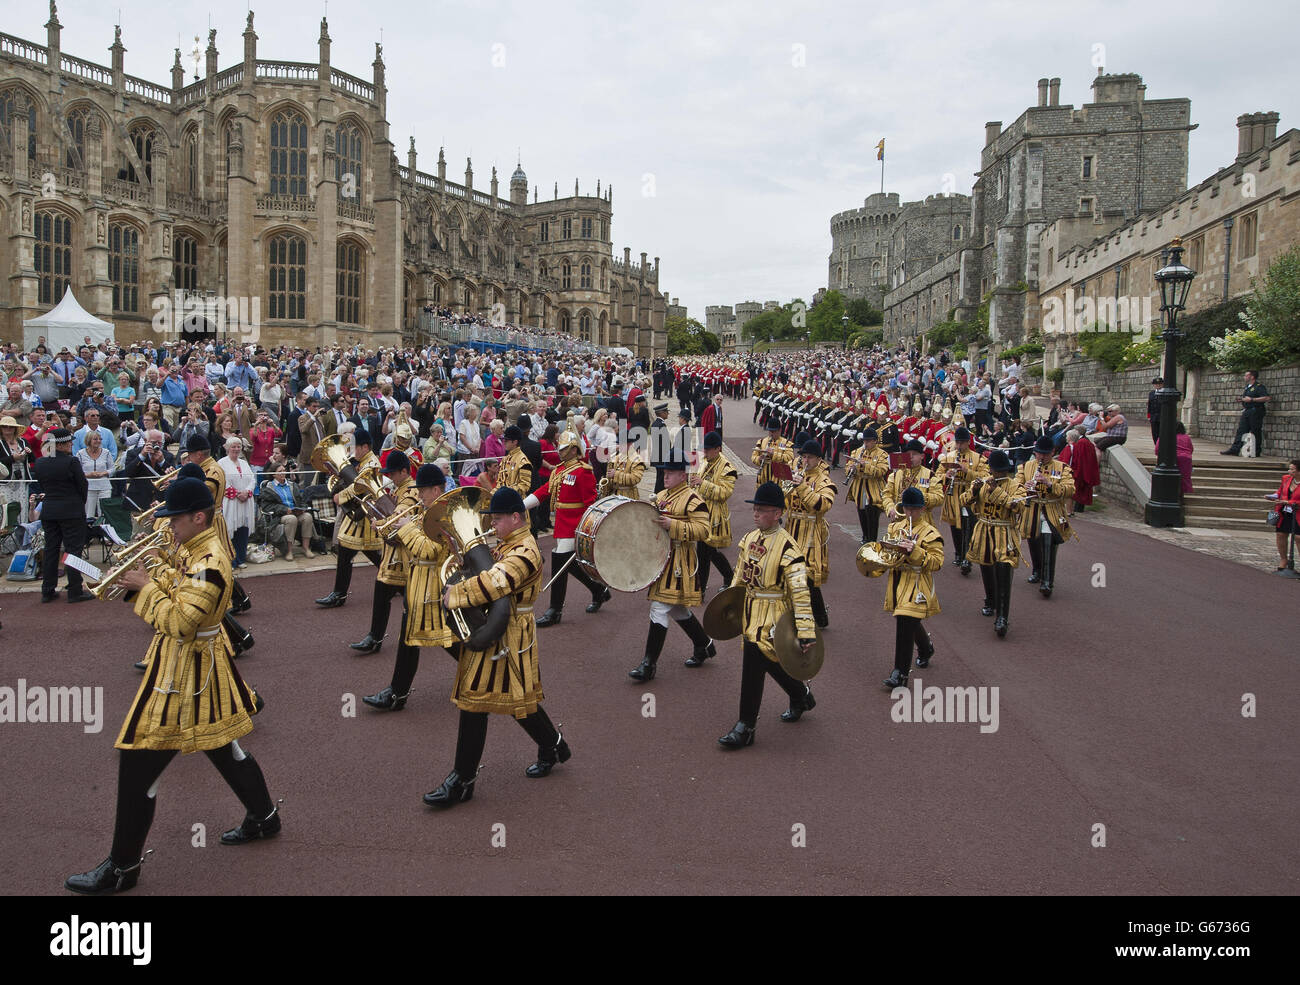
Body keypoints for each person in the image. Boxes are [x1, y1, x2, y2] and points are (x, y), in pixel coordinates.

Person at [64, 476, 279, 895]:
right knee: (225, 747)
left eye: (174, 519)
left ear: (198, 518)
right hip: (198, 667)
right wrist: (140, 580)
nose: (168, 525)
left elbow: (180, 623)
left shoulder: (210, 561)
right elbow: (177, 596)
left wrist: (143, 589)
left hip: (187, 672)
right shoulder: (194, 548)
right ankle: (265, 816)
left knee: (137, 760)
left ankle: (123, 867)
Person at [426, 487, 571, 808]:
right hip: (501, 628)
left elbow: (496, 582)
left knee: (477, 700)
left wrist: (456, 594)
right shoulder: (509, 543)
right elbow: (486, 570)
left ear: (516, 517)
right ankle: (554, 745)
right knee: (517, 698)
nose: (491, 525)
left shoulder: (527, 551)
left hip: (512, 632)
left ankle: (462, 780)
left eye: (497, 519)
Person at [716, 481, 817, 749]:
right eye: (755, 509)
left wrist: (806, 632)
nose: (756, 513)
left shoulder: (789, 549)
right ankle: (800, 694)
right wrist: (730, 605)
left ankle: (745, 726)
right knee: (769, 661)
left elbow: (800, 593)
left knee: (754, 661)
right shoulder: (749, 539)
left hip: (774, 615)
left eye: (762, 509)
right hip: (751, 610)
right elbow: (739, 575)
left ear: (777, 513)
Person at [363, 464, 459, 711]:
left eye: (423, 491)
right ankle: (397, 693)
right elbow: (411, 541)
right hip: (418, 585)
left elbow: (428, 549)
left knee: (446, 638)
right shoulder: (427, 511)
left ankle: (484, 671)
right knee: (410, 638)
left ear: (436, 489)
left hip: (433, 586)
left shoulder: (442, 514)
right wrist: (389, 526)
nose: (419, 496)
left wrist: (405, 527)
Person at [629, 448, 714, 681]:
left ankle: (649, 664)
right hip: (663, 557)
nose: (666, 476)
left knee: (659, 606)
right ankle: (704, 644)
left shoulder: (694, 499)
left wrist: (673, 525)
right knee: (676, 608)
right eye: (665, 472)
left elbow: (704, 531)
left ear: (683, 475)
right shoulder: (663, 494)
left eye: (671, 472)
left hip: (680, 560)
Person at [531, 430, 608, 628]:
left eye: (564, 448)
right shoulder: (558, 470)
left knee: (559, 561)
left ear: (574, 450)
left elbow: (590, 503)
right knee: (567, 563)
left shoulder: (584, 471)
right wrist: (519, 505)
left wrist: (587, 529)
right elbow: (544, 491)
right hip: (561, 523)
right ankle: (598, 590)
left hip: (575, 524)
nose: (560, 451)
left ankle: (555, 609)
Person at [349, 451, 420, 654]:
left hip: (405, 556)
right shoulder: (401, 489)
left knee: (414, 601)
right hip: (393, 555)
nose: (390, 478)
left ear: (404, 471)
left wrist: (378, 523)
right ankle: (374, 637)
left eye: (393, 474)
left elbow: (396, 521)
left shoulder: (410, 492)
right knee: (383, 593)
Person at [878, 486, 944, 689]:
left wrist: (915, 551)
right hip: (898, 579)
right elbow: (886, 554)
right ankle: (925, 647)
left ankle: (900, 673)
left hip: (917, 581)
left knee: (905, 622)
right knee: (905, 619)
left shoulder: (930, 533)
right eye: (906, 509)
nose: (909, 514)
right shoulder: (894, 528)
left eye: (913, 510)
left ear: (922, 509)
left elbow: (937, 562)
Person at [316, 428, 383, 607]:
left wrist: (341, 496)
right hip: (360, 517)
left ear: (365, 446)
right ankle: (339, 593)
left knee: (373, 555)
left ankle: (397, 581)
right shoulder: (362, 462)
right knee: (347, 552)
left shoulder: (372, 464)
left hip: (366, 517)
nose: (352, 451)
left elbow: (360, 486)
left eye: (355, 447)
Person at [963, 451, 1025, 638]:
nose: (996, 475)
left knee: (1004, 570)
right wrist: (974, 491)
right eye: (994, 471)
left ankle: (1003, 617)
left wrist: (996, 492)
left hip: (1004, 532)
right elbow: (963, 501)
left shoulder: (1015, 486)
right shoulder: (981, 481)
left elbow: (1018, 507)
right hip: (984, 530)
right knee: (986, 569)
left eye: (1000, 472)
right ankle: (991, 600)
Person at [33, 428, 93, 603]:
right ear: (60, 444)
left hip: (50, 509)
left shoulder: (41, 462)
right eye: (69, 442)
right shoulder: (71, 461)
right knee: (73, 550)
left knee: (51, 549)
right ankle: (75, 590)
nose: (71, 444)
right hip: (71, 509)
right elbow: (82, 485)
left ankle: (47, 590)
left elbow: (42, 485)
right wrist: (77, 502)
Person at [784, 439, 837, 628]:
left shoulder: (824, 480)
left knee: (807, 575)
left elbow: (822, 505)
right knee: (796, 575)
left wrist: (801, 487)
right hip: (792, 528)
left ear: (818, 460)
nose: (805, 461)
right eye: (804, 457)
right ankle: (819, 615)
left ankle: (808, 617)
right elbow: (785, 502)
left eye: (810, 458)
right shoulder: (797, 475)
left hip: (812, 531)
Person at [1019, 435, 1076, 598]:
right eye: (1039, 453)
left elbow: (1070, 489)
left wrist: (1050, 484)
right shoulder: (1026, 466)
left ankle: (1047, 581)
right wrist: (1025, 487)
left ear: (1053, 452)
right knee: (1034, 542)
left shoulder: (1062, 468)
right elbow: (1016, 485)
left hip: (1052, 511)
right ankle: (1037, 570)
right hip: (1033, 510)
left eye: (1045, 454)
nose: (1042, 457)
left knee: (1049, 544)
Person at [934, 426, 988, 575]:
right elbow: (937, 476)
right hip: (953, 495)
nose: (959, 446)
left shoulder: (977, 458)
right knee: (955, 526)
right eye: (957, 443)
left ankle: (967, 557)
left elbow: (984, 477)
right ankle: (958, 553)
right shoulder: (949, 457)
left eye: (962, 443)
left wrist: (967, 472)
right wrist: (947, 476)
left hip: (969, 496)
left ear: (967, 442)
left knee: (968, 526)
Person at [692, 431, 737, 595]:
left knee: (704, 552)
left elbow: (724, 493)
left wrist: (702, 484)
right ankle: (729, 576)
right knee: (708, 552)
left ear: (718, 449)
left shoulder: (727, 468)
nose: (705, 452)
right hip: (702, 512)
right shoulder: (706, 462)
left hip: (715, 515)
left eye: (708, 449)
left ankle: (701, 589)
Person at [258, 466, 314, 560]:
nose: (283, 472)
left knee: (307, 516)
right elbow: (267, 507)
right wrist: (284, 509)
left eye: (284, 470)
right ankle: (289, 551)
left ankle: (306, 548)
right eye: (280, 471)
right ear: (273, 474)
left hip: (295, 512)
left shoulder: (292, 485)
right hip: (279, 515)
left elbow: (301, 500)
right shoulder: (269, 488)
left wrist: (302, 508)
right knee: (291, 519)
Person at [218, 436, 256, 569]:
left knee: (243, 530)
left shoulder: (244, 463)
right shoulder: (221, 463)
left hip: (246, 502)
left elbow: (252, 479)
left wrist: (246, 492)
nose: (236, 449)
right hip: (231, 502)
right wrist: (236, 494)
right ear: (228, 448)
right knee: (230, 530)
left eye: (238, 446)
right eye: (233, 446)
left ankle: (240, 558)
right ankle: (231, 561)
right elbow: (222, 481)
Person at [1221, 370, 1269, 456]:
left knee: (1255, 431)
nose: (1244, 377)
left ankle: (1255, 451)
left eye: (1246, 375)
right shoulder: (1248, 387)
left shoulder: (1259, 387)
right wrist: (1242, 400)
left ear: (1252, 377)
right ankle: (1235, 449)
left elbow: (1266, 398)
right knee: (1241, 430)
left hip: (1256, 411)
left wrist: (1252, 399)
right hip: (1247, 410)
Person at [1267, 460, 1300, 571]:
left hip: (1298, 512)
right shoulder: (1286, 479)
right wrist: (1271, 496)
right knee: (1281, 534)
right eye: (1289, 469)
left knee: (1298, 537)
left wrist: (1288, 502)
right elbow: (1280, 493)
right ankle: (1283, 559)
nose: (1289, 471)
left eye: (1292, 469)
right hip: (1285, 511)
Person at [75, 429, 114, 520]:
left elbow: (112, 468)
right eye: (95, 439)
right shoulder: (80, 454)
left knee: (104, 513)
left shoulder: (106, 452)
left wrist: (104, 473)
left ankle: (104, 531)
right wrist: (89, 475)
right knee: (89, 513)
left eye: (100, 439)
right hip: (88, 487)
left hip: (104, 486)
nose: (98, 441)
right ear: (89, 441)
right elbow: (77, 471)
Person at [1060, 429, 1100, 513]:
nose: (1066, 438)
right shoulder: (1077, 445)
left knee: (1068, 493)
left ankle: (1068, 511)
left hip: (1070, 472)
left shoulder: (1071, 447)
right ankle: (1071, 510)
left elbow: (1067, 461)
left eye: (1067, 436)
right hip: (1076, 471)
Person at [751, 416, 794, 487]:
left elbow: (790, 458)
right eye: (770, 431)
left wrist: (773, 454)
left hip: (779, 478)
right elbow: (753, 457)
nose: (771, 434)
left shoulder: (786, 443)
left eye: (774, 431)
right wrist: (759, 459)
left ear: (780, 430)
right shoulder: (762, 442)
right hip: (763, 477)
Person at [605, 430, 646, 498]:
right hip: (614, 494)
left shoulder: (636, 459)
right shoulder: (617, 456)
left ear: (629, 444)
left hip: (628, 495)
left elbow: (635, 478)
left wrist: (615, 474)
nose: (618, 446)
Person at [1146, 377, 1163, 444]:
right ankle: (1156, 445)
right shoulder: (1151, 393)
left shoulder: (1164, 393)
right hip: (1153, 416)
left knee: (1161, 433)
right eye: (1156, 384)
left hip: (1162, 416)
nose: (1158, 385)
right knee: (1154, 433)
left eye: (1159, 384)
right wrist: (1149, 416)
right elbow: (1149, 405)